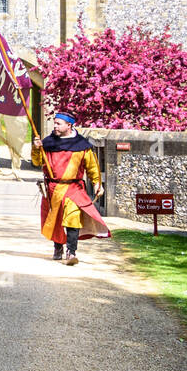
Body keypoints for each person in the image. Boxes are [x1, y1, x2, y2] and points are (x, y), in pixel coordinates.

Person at [31, 111, 109, 264]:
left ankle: (71, 252)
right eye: (54, 123)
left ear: (69, 125)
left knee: (73, 218)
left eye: (58, 123)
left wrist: (97, 183)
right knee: (56, 219)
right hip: (54, 187)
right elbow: (37, 161)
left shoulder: (82, 145)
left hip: (74, 187)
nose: (55, 126)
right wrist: (36, 148)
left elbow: (92, 167)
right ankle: (58, 247)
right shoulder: (47, 143)